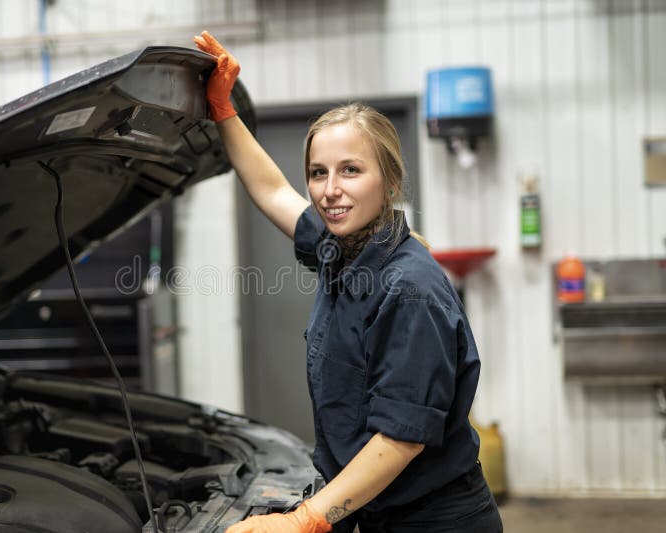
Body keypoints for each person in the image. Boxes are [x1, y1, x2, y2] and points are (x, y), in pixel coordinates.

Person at [194, 31, 503, 533]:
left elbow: (398, 440)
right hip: (377, 512)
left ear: (389, 180)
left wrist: (304, 521)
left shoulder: (409, 288)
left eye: (351, 170)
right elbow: (272, 190)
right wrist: (223, 110)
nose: (330, 190)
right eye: (318, 173)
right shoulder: (343, 249)